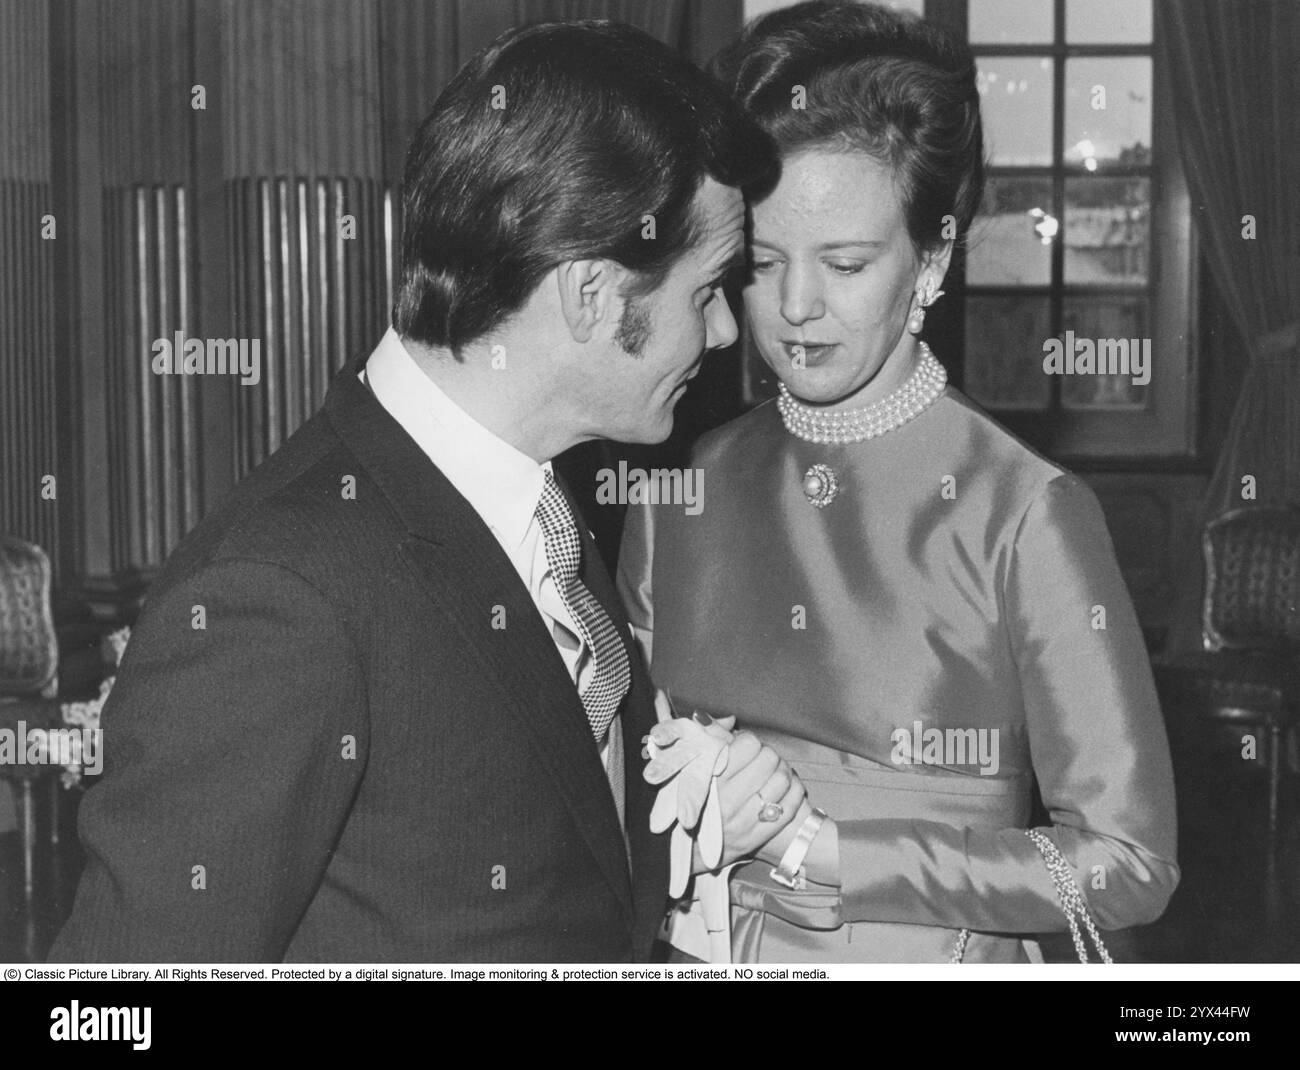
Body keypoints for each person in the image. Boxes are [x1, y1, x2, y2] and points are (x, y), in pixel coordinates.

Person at [50, 20, 797, 963]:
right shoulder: (280, 596)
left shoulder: (539, 505)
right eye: (706, 290)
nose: (725, 332)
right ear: (591, 296)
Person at [617, 0, 1179, 963]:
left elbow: (1129, 864)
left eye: (845, 263)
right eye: (760, 262)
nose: (796, 306)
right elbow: (613, 787)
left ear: (933, 259)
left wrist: (826, 850)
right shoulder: (682, 487)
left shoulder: (1024, 512)